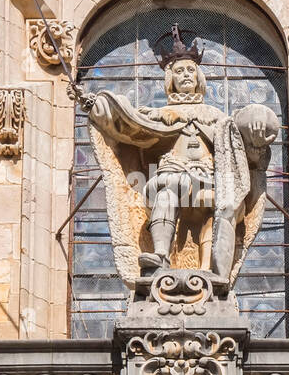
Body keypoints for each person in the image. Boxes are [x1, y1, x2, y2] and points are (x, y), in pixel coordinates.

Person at [85, 25, 278, 284]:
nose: (185, 75)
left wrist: (257, 134)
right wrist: (96, 106)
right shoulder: (156, 114)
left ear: (199, 77)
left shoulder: (217, 117)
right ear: (170, 78)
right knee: (164, 196)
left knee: (219, 206)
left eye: (190, 70)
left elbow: (241, 154)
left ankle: (210, 269)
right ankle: (161, 256)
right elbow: (124, 122)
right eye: (179, 71)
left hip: (209, 178)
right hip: (172, 173)